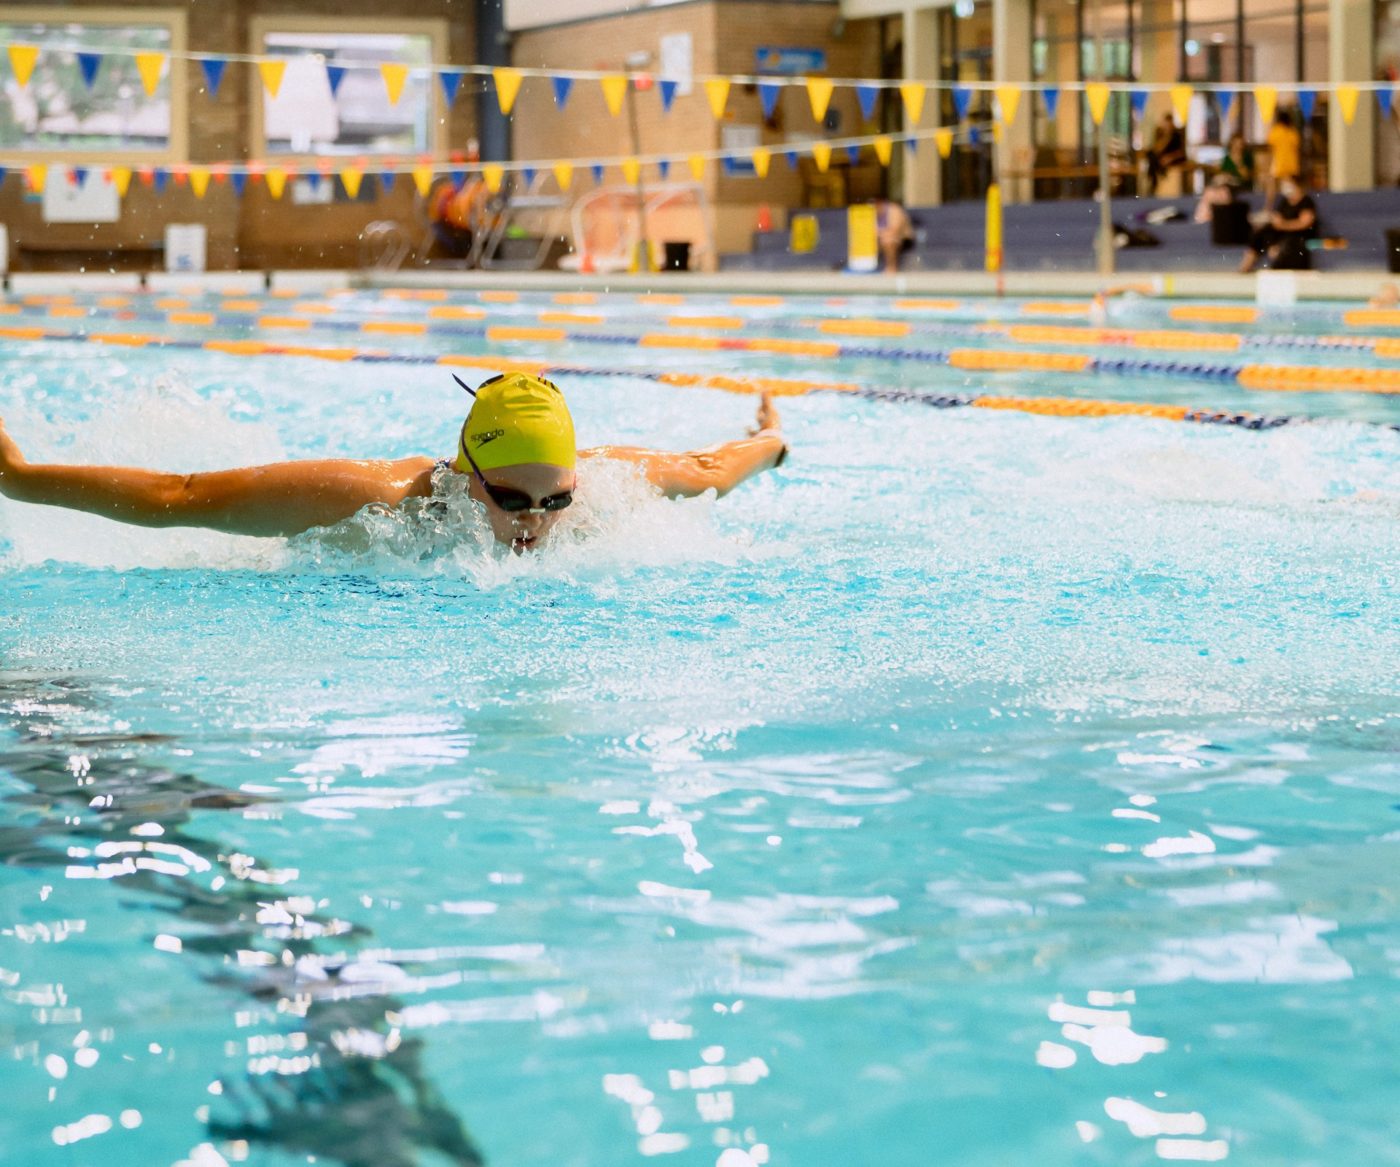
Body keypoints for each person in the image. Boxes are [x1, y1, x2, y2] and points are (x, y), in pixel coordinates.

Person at [0, 373, 789, 555]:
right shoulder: (376, 502)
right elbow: (181, 495)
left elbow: (710, 468)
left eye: (557, 502)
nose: (534, 524)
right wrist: (20, 478)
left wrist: (773, 438)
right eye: (514, 498)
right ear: (466, 469)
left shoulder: (604, 490)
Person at [1239, 177, 1317, 273]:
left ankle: (1276, 262)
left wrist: (1284, 225)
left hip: (1298, 235)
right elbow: (1278, 218)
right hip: (1281, 232)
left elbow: (1305, 223)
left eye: (1289, 184)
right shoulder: (1285, 201)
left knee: (1289, 242)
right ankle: (1246, 266)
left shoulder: (1306, 201)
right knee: (1259, 235)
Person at [1264, 108, 1301, 206]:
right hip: (1291, 162)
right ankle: (1298, 203)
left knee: (1273, 185)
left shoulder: (1276, 131)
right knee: (1289, 184)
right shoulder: (1292, 132)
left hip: (1279, 162)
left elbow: (1270, 148)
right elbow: (1297, 146)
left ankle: (1268, 207)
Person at [1145, 113, 1186, 195]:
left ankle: (1153, 179)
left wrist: (1169, 157)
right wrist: (1166, 138)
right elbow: (1157, 150)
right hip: (1162, 159)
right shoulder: (1161, 134)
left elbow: (1181, 152)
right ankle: (1157, 175)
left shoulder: (1176, 135)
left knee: (1153, 159)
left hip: (1175, 158)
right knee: (1151, 154)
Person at [873, 199, 914, 274]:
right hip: (878, 240)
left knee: (888, 241)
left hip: (902, 239)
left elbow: (895, 229)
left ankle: (892, 267)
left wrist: (880, 233)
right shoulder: (871, 213)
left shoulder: (894, 210)